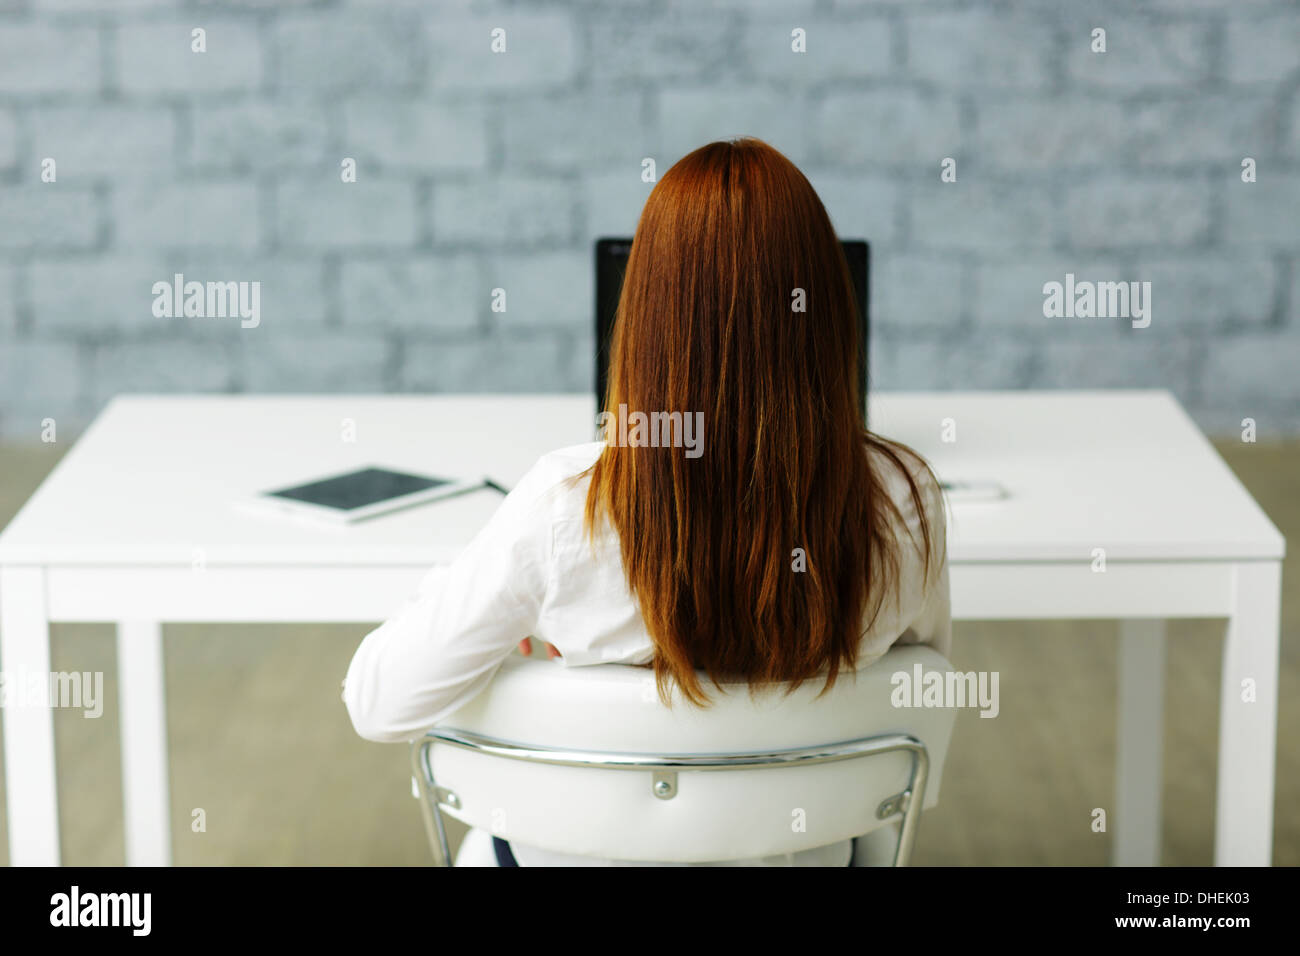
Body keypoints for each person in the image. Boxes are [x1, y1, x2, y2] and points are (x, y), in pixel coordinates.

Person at [343, 137, 950, 866]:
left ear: (646, 314)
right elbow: (919, 685)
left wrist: (496, 599)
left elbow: (377, 703)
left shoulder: (563, 507)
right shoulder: (903, 500)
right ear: (826, 311)